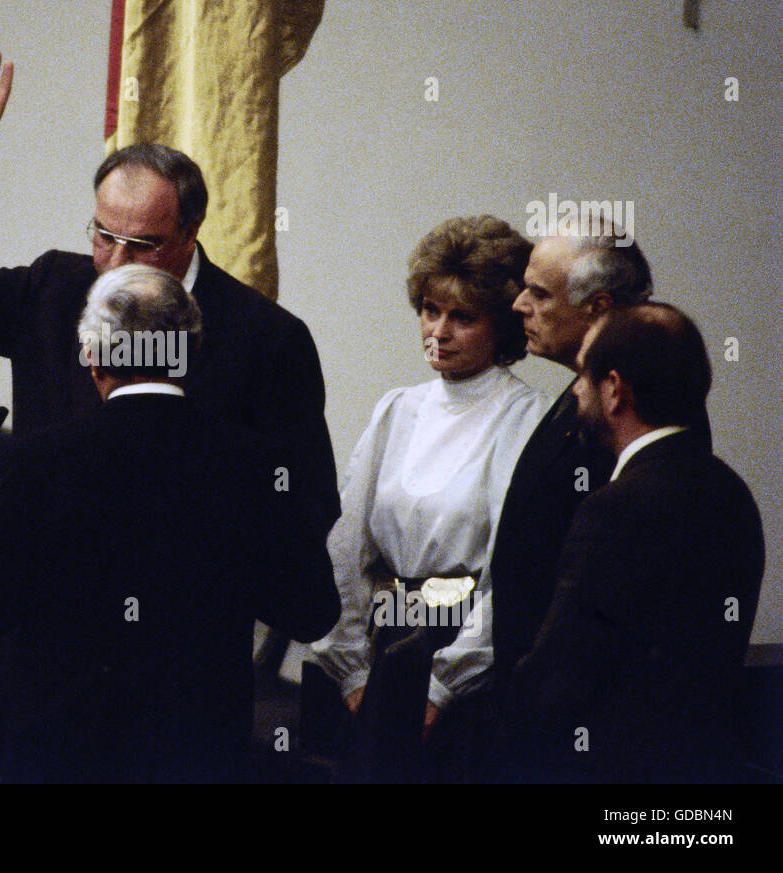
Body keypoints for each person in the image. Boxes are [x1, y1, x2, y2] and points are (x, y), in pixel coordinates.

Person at [0, 51, 340, 534]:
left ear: (191, 231)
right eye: (103, 236)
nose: (115, 264)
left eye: (143, 246)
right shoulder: (53, 290)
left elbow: (305, 503)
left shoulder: (267, 340)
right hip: (48, 595)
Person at [0, 264, 341, 783]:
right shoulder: (256, 464)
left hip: (63, 744)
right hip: (198, 747)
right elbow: (311, 611)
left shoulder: (41, 457)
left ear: (92, 359)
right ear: (192, 354)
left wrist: (9, 536)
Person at [310, 215, 548, 782]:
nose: (438, 331)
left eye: (462, 317)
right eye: (430, 310)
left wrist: (448, 683)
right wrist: (351, 668)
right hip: (384, 646)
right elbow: (342, 541)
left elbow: (514, 572)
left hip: (467, 659)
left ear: (502, 327)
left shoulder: (526, 417)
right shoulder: (399, 408)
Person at [504, 304, 764, 782]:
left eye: (584, 373)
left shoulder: (616, 509)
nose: (576, 388)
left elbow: (557, 680)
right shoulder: (732, 492)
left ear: (614, 389)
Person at [487, 217, 654, 705]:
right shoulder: (586, 392)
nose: (519, 304)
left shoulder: (629, 409)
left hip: (573, 716)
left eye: (539, 294)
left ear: (597, 307)